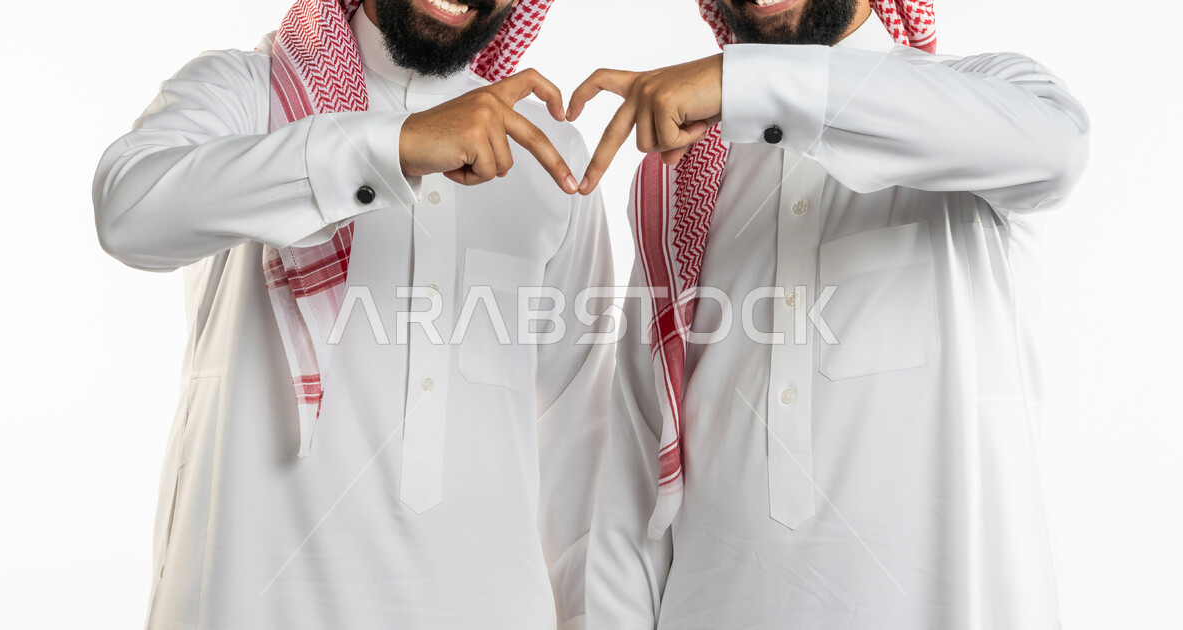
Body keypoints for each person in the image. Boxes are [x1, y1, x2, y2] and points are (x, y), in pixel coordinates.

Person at [92, 0, 613, 628]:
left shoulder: (551, 153)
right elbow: (129, 211)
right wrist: (390, 148)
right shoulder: (247, 92)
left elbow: (578, 447)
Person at [577, 0, 1089, 628]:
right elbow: (634, 486)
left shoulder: (974, 101)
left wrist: (746, 81)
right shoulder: (682, 177)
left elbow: (1058, 150)